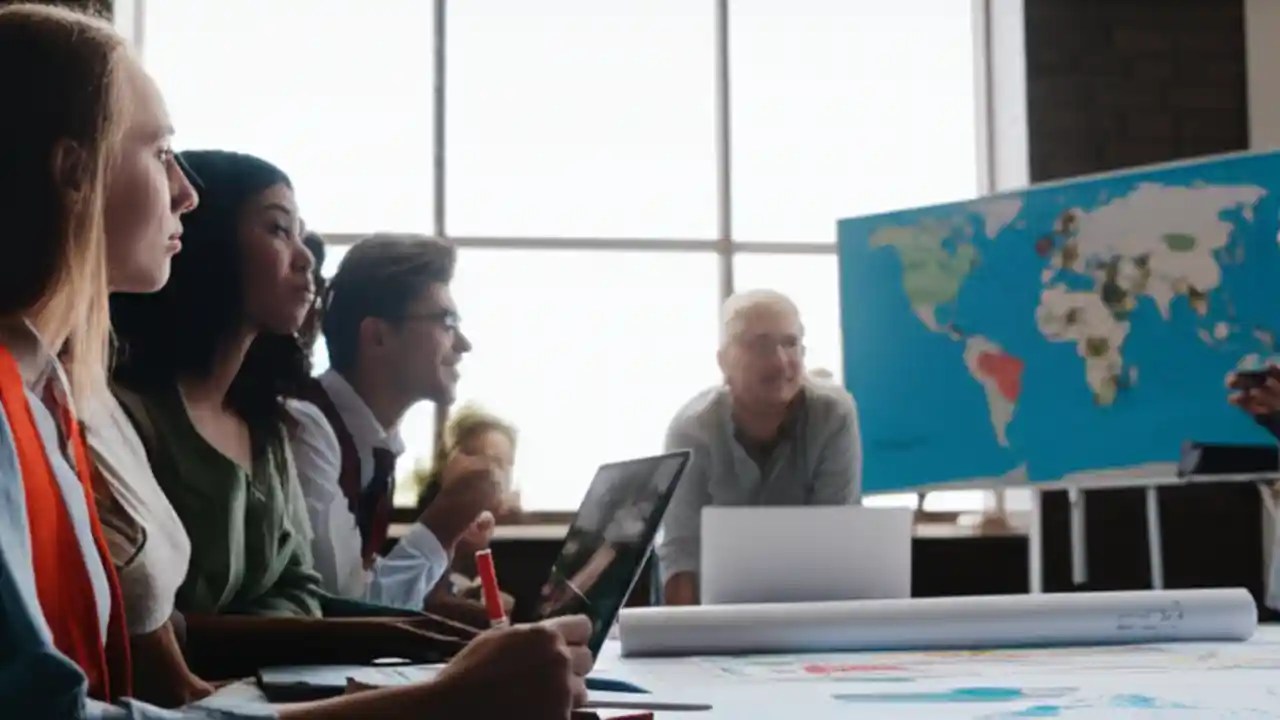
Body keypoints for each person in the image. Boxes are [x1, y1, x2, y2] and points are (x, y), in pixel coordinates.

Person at [0, 5, 592, 719]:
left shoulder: (50, 395)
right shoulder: (29, 409)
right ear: (74, 173)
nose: (186, 192)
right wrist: (442, 703)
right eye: (159, 153)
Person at [287, 235, 504, 611]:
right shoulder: (306, 431)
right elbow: (344, 611)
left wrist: (439, 603)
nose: (464, 344)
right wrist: (445, 519)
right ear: (378, 336)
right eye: (447, 322)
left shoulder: (374, 445)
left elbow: (362, 584)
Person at [657, 289, 863, 605]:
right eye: (761, 345)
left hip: (809, 598)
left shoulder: (833, 414)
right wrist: (682, 642)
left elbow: (838, 534)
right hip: (717, 608)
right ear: (724, 361)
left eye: (791, 344)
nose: (781, 362)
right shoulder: (692, 429)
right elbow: (681, 549)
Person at [416, 403, 523, 605]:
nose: (486, 467)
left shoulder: (516, 544)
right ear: (444, 463)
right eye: (473, 453)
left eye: (499, 462)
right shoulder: (418, 530)